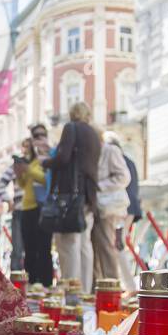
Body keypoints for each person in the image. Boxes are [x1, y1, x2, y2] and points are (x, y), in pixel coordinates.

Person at [45, 101, 101, 290]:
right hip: (89, 195)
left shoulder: (71, 128)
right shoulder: (94, 133)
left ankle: (71, 289)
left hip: (71, 194)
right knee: (85, 244)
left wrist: (46, 163)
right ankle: (85, 290)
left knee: (68, 243)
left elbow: (63, 158)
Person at [95, 131, 133, 290]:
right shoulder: (99, 152)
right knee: (103, 246)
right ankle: (107, 287)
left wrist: (100, 186)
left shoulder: (110, 151)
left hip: (110, 207)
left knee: (108, 246)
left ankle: (112, 288)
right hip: (102, 206)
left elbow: (124, 177)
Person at [13, 138, 52, 285]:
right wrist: (19, 174)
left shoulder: (43, 162)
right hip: (27, 208)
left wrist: (27, 169)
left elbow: (45, 180)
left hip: (40, 208)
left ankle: (45, 281)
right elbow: (24, 185)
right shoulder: (31, 163)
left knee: (42, 247)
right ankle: (31, 280)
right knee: (29, 248)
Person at [0, 158, 25, 270]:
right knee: (17, 249)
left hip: (35, 211)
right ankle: (15, 282)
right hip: (19, 210)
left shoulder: (38, 162)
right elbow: (1, 185)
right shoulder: (16, 166)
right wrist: (8, 200)